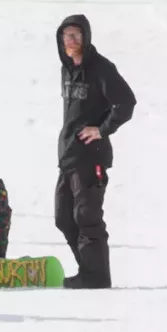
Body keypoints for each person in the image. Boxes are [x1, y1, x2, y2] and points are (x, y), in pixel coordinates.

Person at [54, 15, 135, 290]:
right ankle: (87, 270)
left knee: (86, 216)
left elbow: (126, 102)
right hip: (69, 154)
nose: (71, 40)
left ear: (86, 37)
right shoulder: (67, 68)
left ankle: (97, 277)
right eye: (67, 36)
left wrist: (102, 129)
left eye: (76, 35)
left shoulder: (101, 68)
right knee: (63, 217)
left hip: (92, 156)